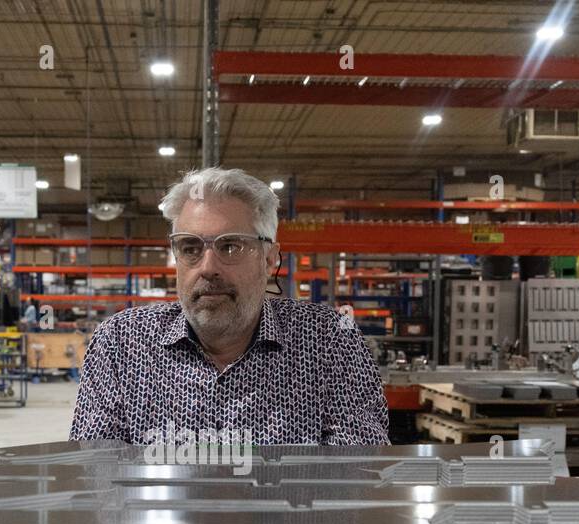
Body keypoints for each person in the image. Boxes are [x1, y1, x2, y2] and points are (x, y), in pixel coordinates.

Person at [69, 166, 388, 445]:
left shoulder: (330, 342)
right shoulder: (121, 345)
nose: (208, 267)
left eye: (231, 246)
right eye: (190, 247)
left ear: (269, 259)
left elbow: (358, 475)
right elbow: (96, 478)